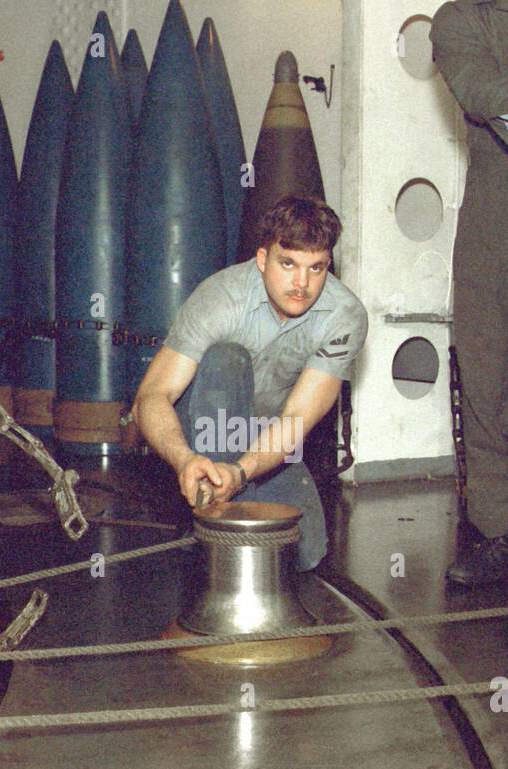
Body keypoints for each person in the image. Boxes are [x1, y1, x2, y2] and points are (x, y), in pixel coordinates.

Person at [132, 196, 368, 571]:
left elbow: (296, 419)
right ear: (262, 259)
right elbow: (151, 396)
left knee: (305, 554)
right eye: (287, 263)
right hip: (204, 428)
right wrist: (185, 460)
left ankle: (227, 494)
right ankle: (207, 512)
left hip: (264, 436)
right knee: (228, 357)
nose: (302, 283)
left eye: (316, 268)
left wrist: (240, 472)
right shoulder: (221, 298)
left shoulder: (345, 317)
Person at [431, 0, 508, 587]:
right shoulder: (461, 19)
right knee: (489, 375)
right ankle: (496, 533)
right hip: (500, 224)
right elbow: (484, 91)